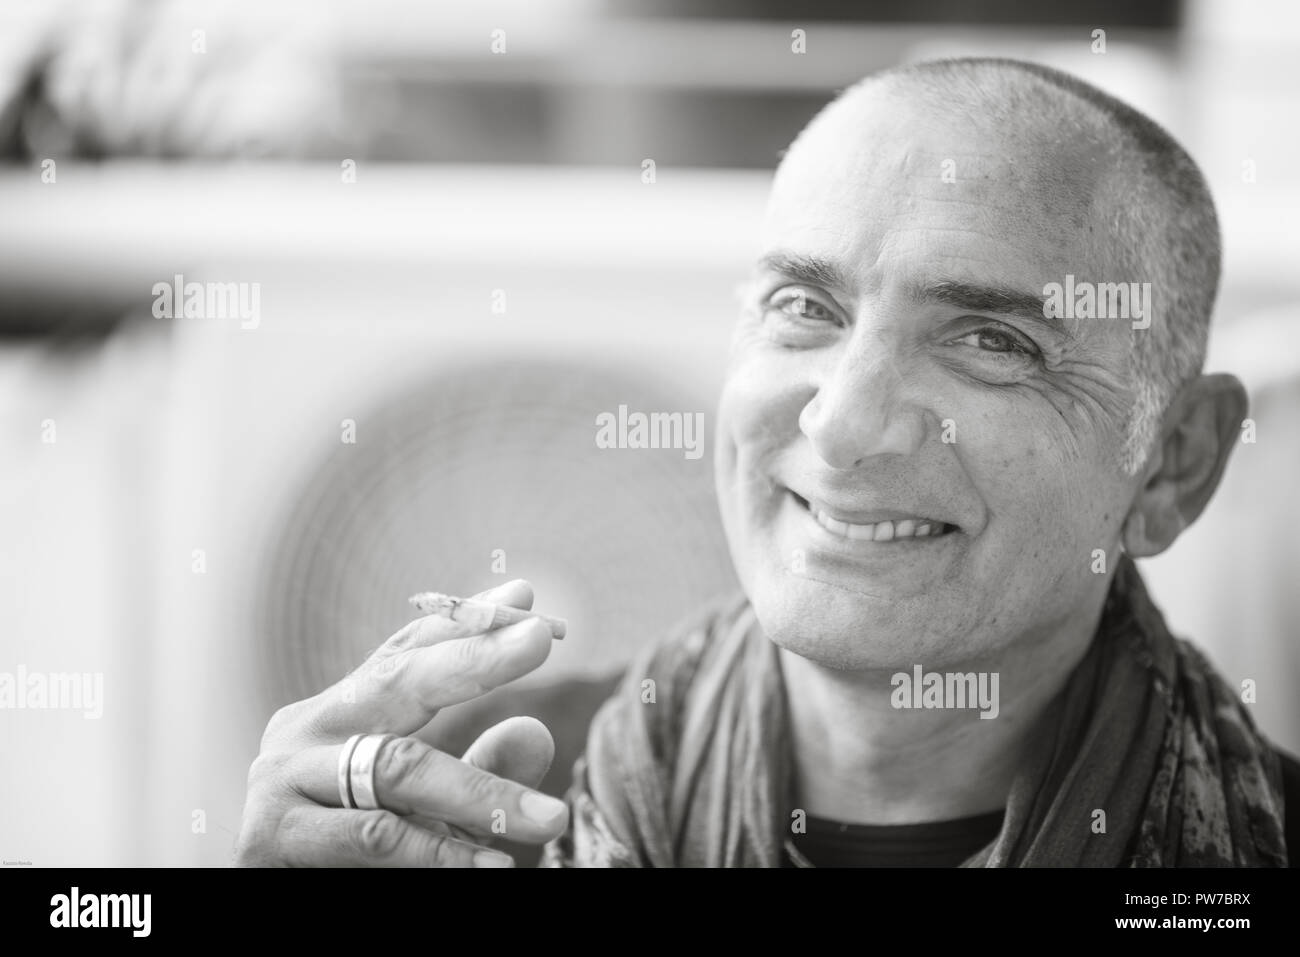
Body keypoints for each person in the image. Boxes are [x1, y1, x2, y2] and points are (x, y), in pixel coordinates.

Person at [234, 58, 1296, 868]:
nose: (839, 425)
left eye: (991, 342)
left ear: (1170, 463)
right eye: (805, 309)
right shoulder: (490, 786)